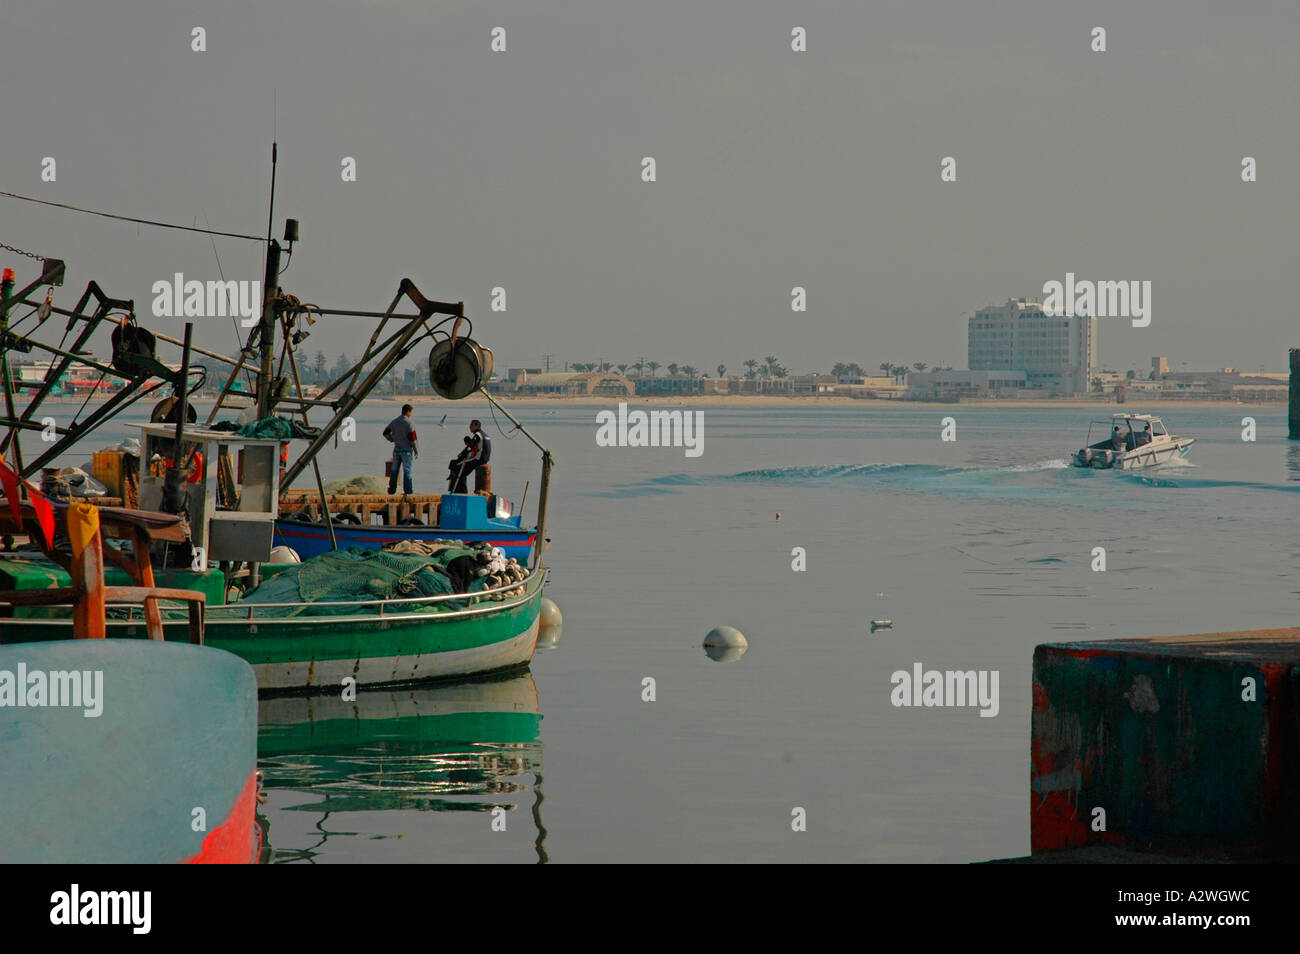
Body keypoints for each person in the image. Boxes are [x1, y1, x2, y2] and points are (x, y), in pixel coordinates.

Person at [383, 404, 418, 494]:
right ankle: (408, 491)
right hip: (406, 450)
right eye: (411, 412)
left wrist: (392, 439)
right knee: (407, 471)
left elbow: (385, 433)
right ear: (408, 412)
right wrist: (416, 450)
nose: (411, 414)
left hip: (396, 449)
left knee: (394, 470)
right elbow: (413, 439)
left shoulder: (394, 421)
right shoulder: (409, 423)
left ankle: (391, 490)